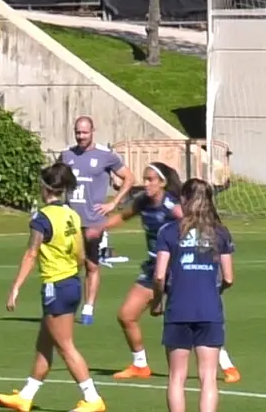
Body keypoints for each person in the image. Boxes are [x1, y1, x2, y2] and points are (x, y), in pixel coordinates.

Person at [101, 160, 242, 384]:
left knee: (195, 318)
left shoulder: (173, 207)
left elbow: (196, 226)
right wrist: (98, 229)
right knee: (126, 315)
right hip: (153, 268)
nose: (145, 183)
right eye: (144, 179)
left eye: (150, 180)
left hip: (178, 271)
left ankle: (226, 365)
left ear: (163, 183)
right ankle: (140, 364)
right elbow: (123, 216)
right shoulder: (143, 203)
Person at [0, 162, 106, 412]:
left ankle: (92, 397)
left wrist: (15, 288)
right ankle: (26, 396)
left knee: (65, 346)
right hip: (71, 283)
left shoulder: (42, 219)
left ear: (45, 188)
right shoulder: (71, 215)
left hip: (55, 285)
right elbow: (80, 254)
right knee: (44, 343)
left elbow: (30, 254)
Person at [151, 179, 235, 412]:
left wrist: (157, 301)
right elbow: (230, 278)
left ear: (184, 200)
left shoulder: (169, 231)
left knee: (176, 376)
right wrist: (215, 290)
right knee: (208, 376)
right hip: (209, 309)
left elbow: (160, 275)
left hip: (178, 309)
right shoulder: (219, 233)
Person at [58, 116, 134, 327]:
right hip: (70, 219)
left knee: (91, 263)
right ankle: (65, 306)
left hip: (93, 220)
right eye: (78, 132)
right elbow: (56, 180)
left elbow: (129, 178)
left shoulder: (105, 156)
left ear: (93, 131)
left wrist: (114, 203)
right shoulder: (66, 155)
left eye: (84, 132)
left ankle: (89, 307)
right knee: (69, 263)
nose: (81, 136)